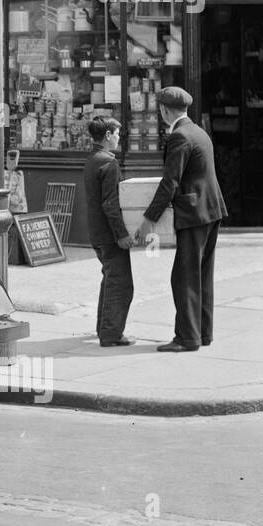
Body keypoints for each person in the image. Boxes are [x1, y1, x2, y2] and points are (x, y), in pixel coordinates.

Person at [134, 87, 227, 352]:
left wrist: (148, 220)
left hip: (194, 214)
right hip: (211, 211)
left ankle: (187, 338)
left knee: (184, 277)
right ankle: (202, 333)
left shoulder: (179, 137)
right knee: (202, 275)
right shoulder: (199, 132)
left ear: (164, 110)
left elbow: (169, 183)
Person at [82, 116, 135, 347]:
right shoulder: (108, 163)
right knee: (121, 284)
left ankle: (104, 327)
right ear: (107, 135)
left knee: (110, 279)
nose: (118, 138)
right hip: (109, 235)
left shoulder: (92, 159)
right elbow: (111, 204)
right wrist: (122, 234)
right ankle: (111, 334)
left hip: (96, 232)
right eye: (116, 134)